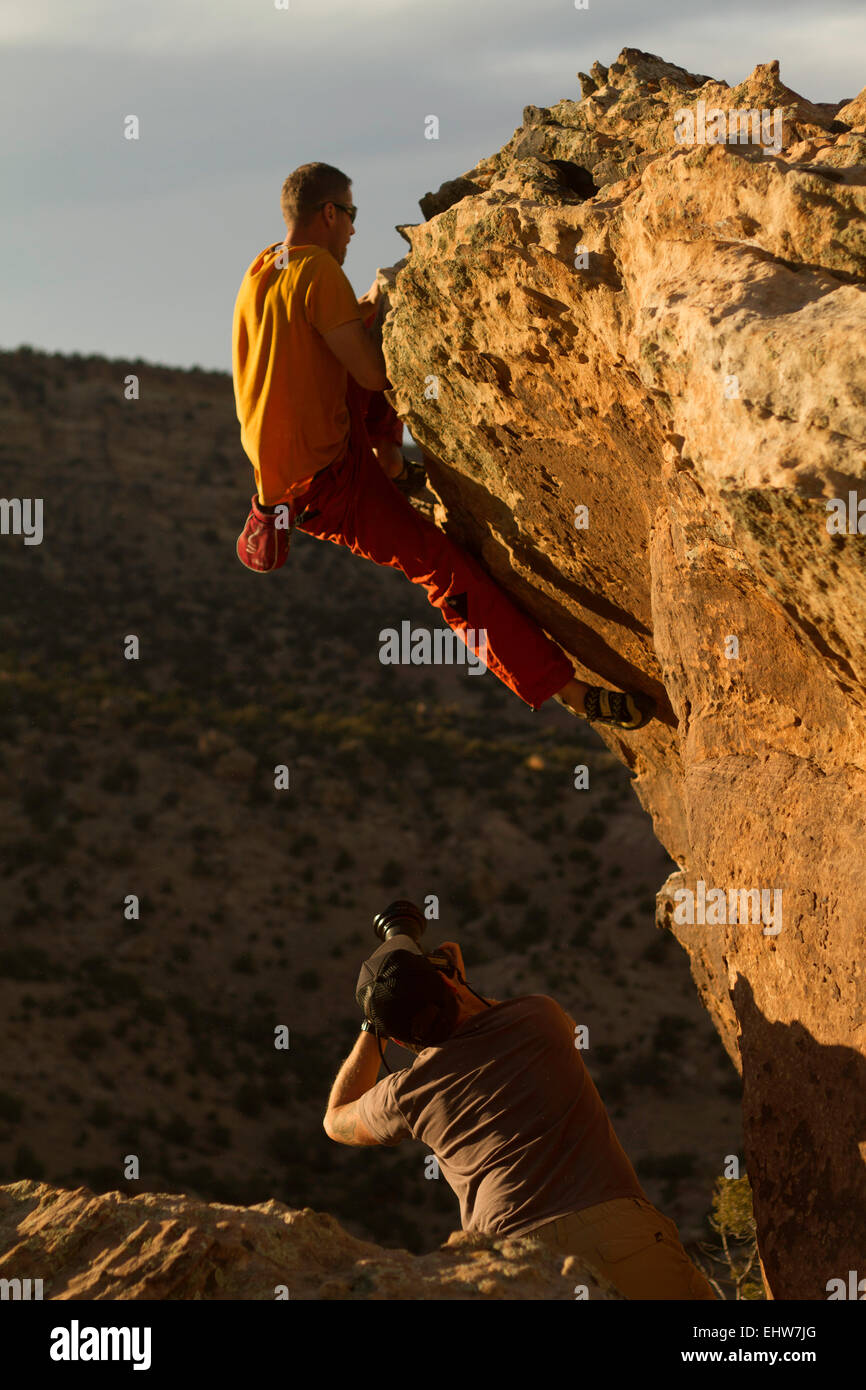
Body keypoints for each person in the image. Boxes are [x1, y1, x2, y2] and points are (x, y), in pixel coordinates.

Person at [231, 161, 656, 730]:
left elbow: (321, 349)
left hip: (303, 455)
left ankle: (388, 459)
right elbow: (375, 376)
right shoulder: (320, 272)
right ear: (329, 213)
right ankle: (566, 690)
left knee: (371, 315)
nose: (355, 230)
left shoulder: (263, 268)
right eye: (351, 215)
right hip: (326, 482)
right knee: (439, 569)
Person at [323, 935, 718, 1301]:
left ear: (395, 1040)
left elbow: (335, 1120)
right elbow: (491, 1019)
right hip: (621, 1237)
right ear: (449, 984)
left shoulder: (405, 1095)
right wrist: (455, 980)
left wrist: (373, 1023)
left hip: (519, 1266)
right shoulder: (540, 1017)